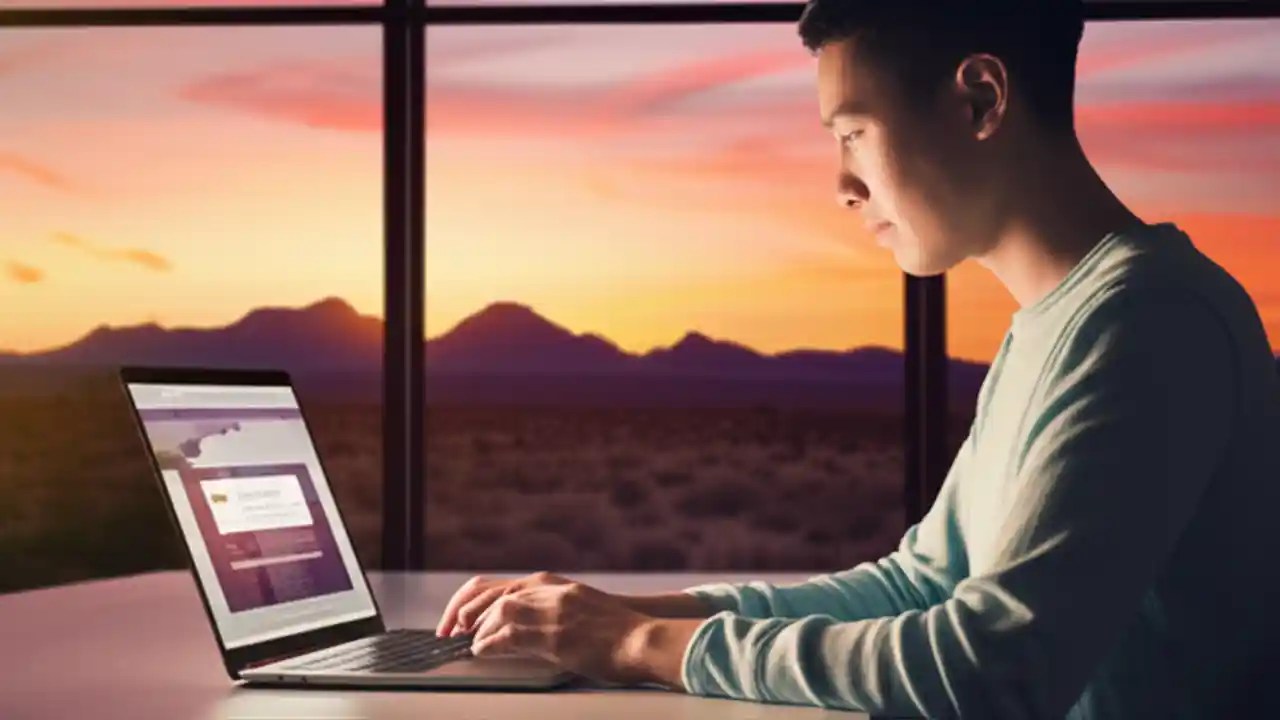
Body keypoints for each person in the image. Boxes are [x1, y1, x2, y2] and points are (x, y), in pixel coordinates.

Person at [434, 1, 1280, 716]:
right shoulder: (1059, 325)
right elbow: (921, 586)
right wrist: (617, 613)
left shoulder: (1150, 321)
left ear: (981, 100)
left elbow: (990, 670)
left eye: (854, 132)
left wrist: (639, 645)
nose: (843, 185)